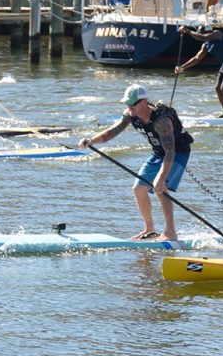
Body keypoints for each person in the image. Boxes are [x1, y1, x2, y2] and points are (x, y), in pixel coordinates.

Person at [80, 84, 194, 241]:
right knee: (138, 189)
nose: (129, 106)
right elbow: (112, 132)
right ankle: (149, 229)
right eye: (128, 103)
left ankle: (170, 233)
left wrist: (161, 179)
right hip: (158, 152)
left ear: (144, 101)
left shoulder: (162, 122)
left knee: (160, 188)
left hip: (176, 152)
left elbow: (170, 152)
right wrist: (92, 141)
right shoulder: (130, 115)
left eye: (133, 103)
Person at [176, 24, 223, 118]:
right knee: (218, 88)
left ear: (208, 32)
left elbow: (203, 37)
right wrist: (182, 67)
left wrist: (188, 31)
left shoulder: (217, 34)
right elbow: (196, 58)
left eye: (202, 33)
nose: (201, 35)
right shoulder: (206, 45)